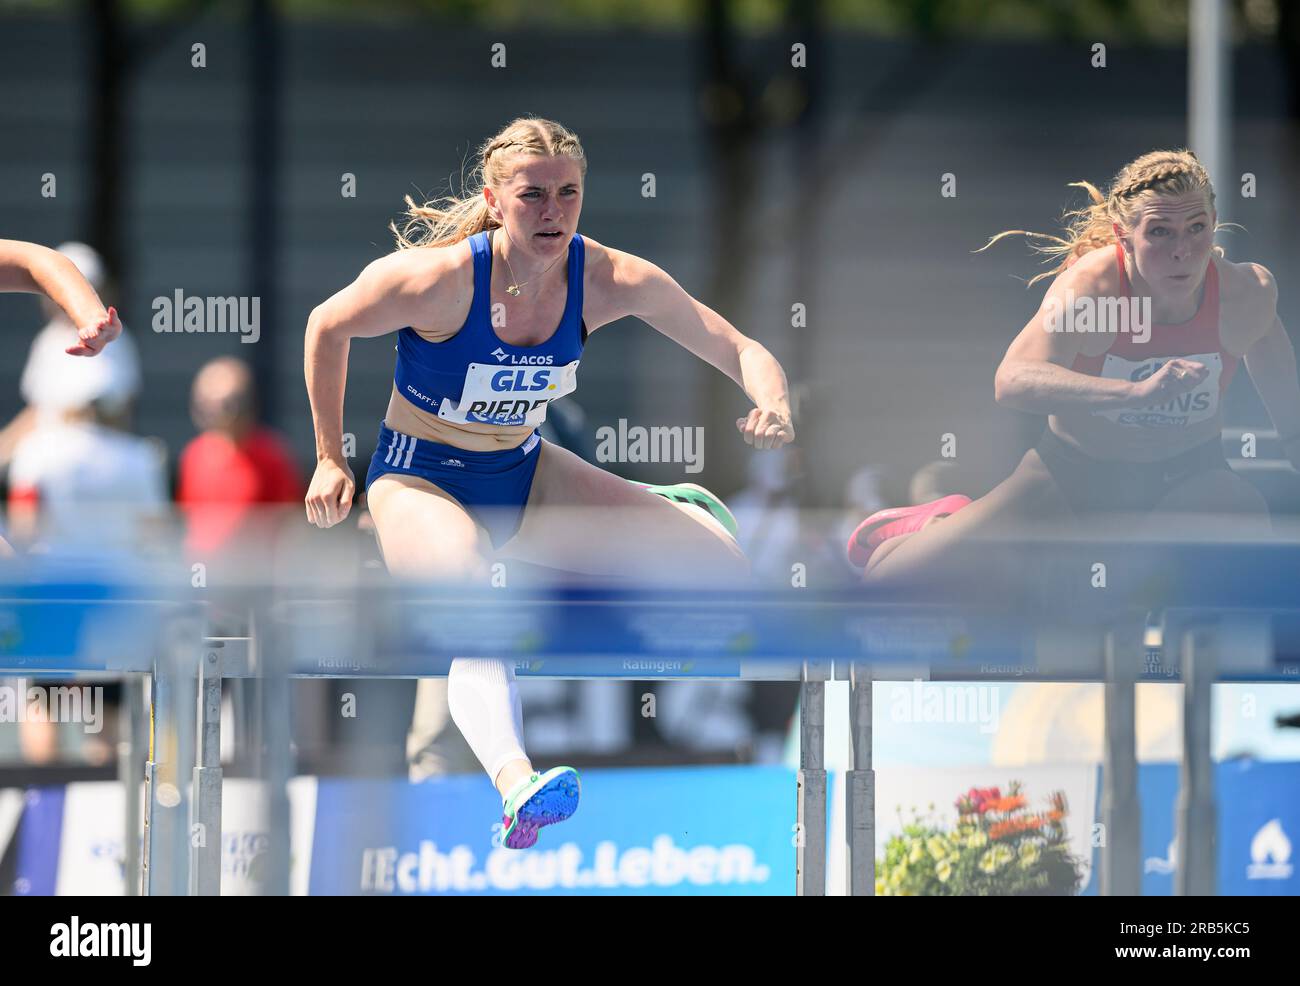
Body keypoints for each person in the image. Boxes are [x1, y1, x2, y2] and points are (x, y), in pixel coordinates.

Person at [304, 117, 795, 848]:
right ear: (495, 201)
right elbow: (325, 326)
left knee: (727, 574)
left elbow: (742, 346)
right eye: (533, 195)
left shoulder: (606, 278)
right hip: (420, 479)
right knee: (474, 610)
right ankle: (517, 786)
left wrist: (774, 403)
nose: (553, 212)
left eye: (568, 194)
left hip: (524, 471)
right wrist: (329, 457)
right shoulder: (437, 282)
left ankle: (670, 509)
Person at [848, 149, 1300, 580]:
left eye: (1196, 228)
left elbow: (1291, 421)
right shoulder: (1092, 289)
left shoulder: (1246, 294)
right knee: (887, 584)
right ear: (1125, 237)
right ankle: (939, 522)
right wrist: (1135, 392)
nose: (1183, 250)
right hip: (1074, 474)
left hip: (1188, 474)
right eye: (1160, 232)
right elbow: (1012, 380)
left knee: (1243, 518)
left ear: (1214, 225)